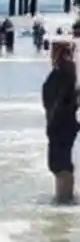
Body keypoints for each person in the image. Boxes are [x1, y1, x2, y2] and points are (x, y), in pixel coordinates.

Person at [42, 41, 79, 203]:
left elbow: (64, 99)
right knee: (60, 164)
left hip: (61, 124)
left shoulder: (65, 70)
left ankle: (64, 201)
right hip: (62, 123)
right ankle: (64, 199)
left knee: (59, 164)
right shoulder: (66, 70)